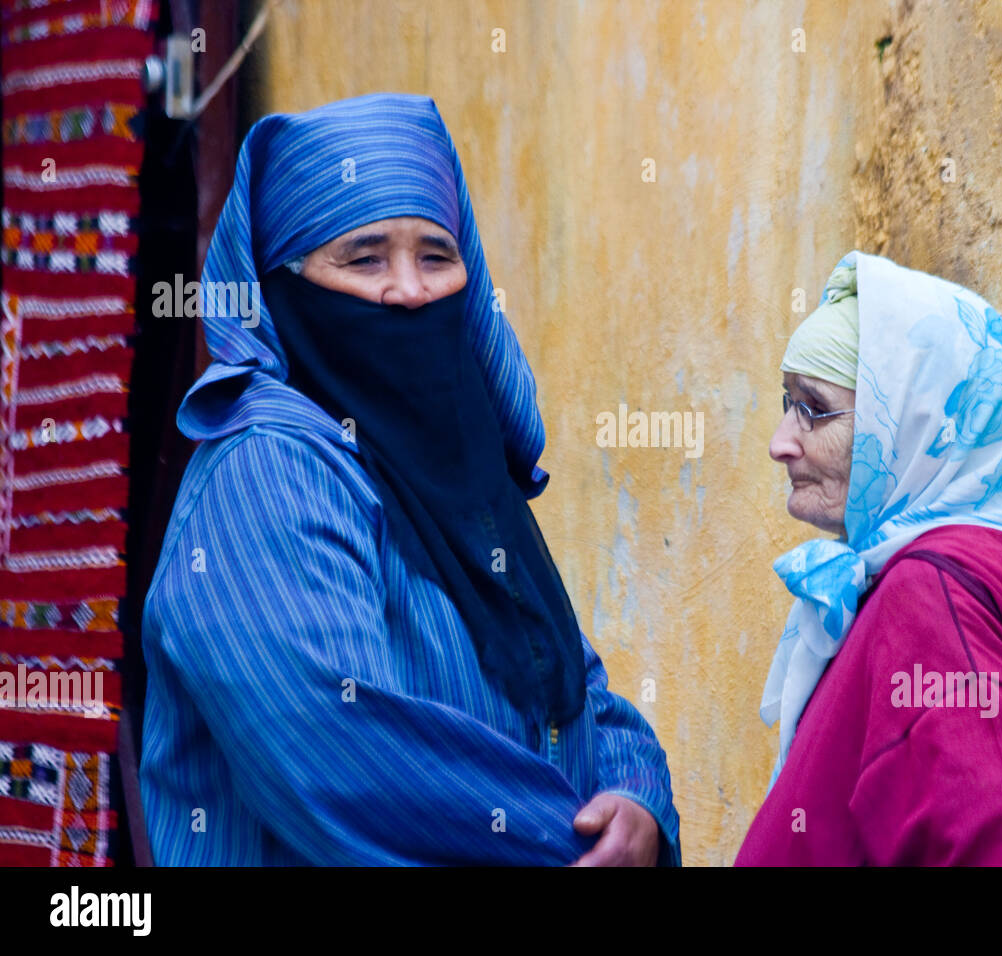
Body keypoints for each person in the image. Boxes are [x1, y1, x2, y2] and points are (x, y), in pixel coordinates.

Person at [140, 92, 680, 866]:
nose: (410, 290)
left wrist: (635, 800)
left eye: (436, 254)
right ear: (283, 286)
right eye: (364, 258)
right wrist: (571, 841)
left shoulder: (459, 482)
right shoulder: (268, 474)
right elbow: (338, 745)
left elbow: (569, 684)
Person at [735, 252, 1002, 866]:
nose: (780, 443)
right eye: (785, 402)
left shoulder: (933, 595)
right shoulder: (997, 572)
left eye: (813, 408)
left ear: (913, 421)